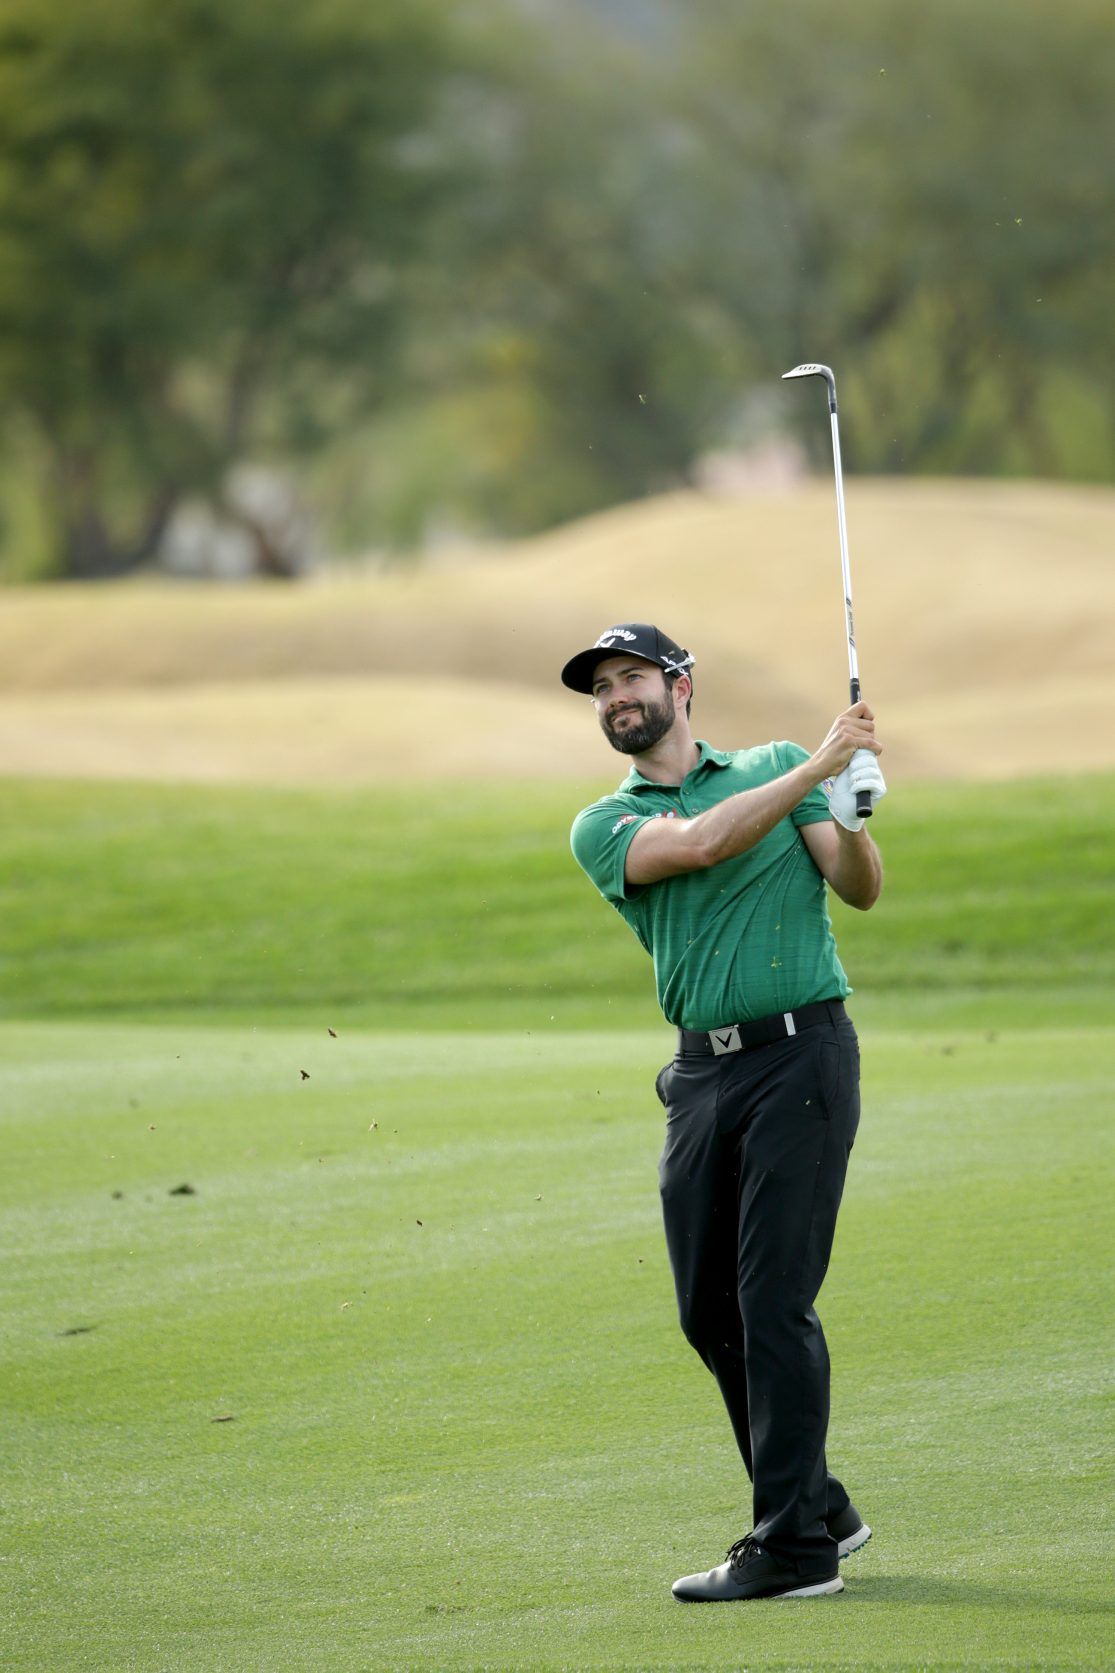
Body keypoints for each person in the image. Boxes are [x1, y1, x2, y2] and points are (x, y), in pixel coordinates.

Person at [561, 622, 886, 1603]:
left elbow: (859, 888)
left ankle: (792, 1547)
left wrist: (853, 803)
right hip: (700, 1075)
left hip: (801, 1053)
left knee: (770, 1299)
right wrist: (818, 765)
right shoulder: (603, 823)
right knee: (707, 1309)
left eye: (632, 677)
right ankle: (818, 1500)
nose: (617, 696)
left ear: (679, 685)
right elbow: (703, 842)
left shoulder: (776, 764)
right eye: (601, 687)